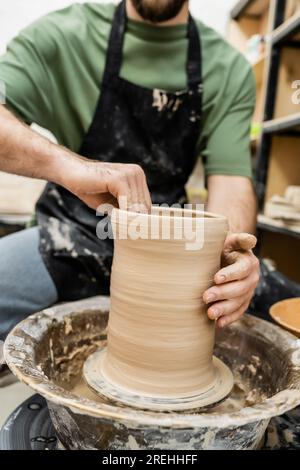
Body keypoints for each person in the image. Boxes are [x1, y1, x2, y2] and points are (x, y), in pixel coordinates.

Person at [0, 0, 260, 342]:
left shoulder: (228, 69)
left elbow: (231, 182)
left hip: (173, 245)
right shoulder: (64, 36)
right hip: (70, 233)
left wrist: (224, 256)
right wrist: (70, 166)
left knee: (276, 312)